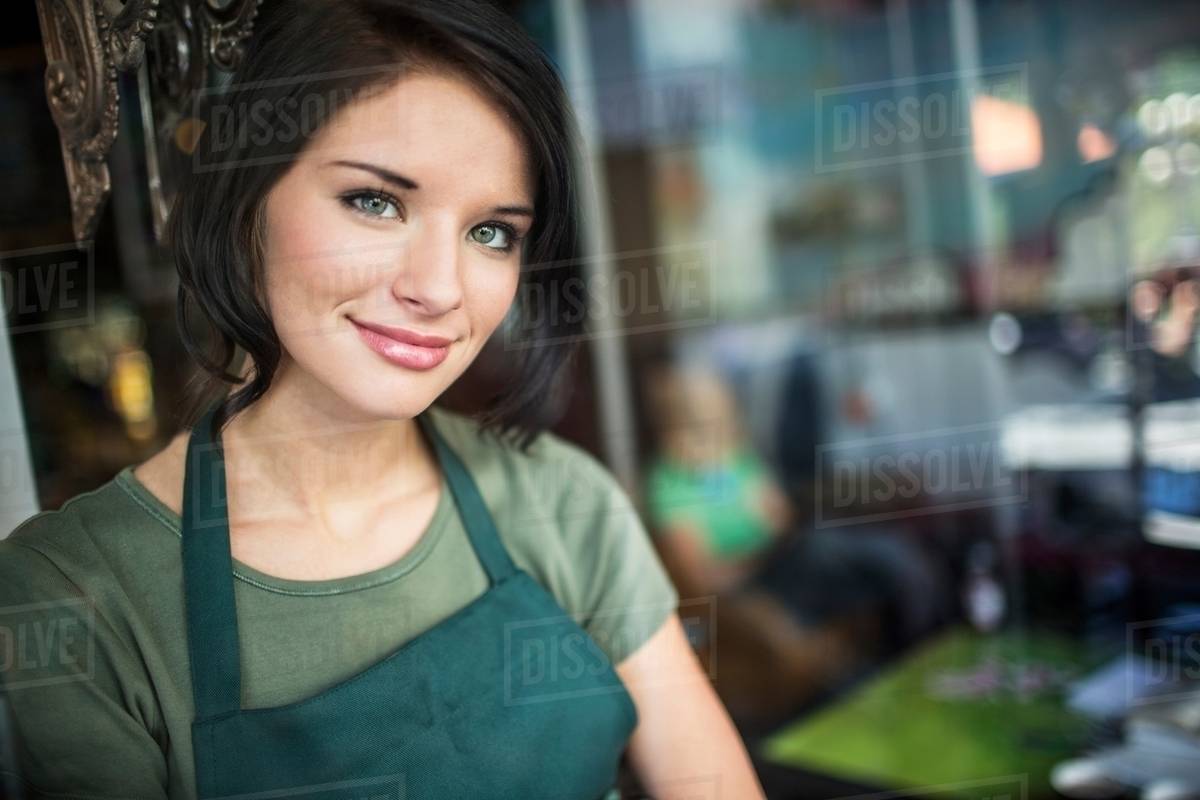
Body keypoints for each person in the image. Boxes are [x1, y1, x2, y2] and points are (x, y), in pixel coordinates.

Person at [0, 2, 765, 798]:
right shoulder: (73, 596)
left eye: (492, 233)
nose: (438, 288)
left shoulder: (563, 504)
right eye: (376, 201)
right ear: (249, 196)